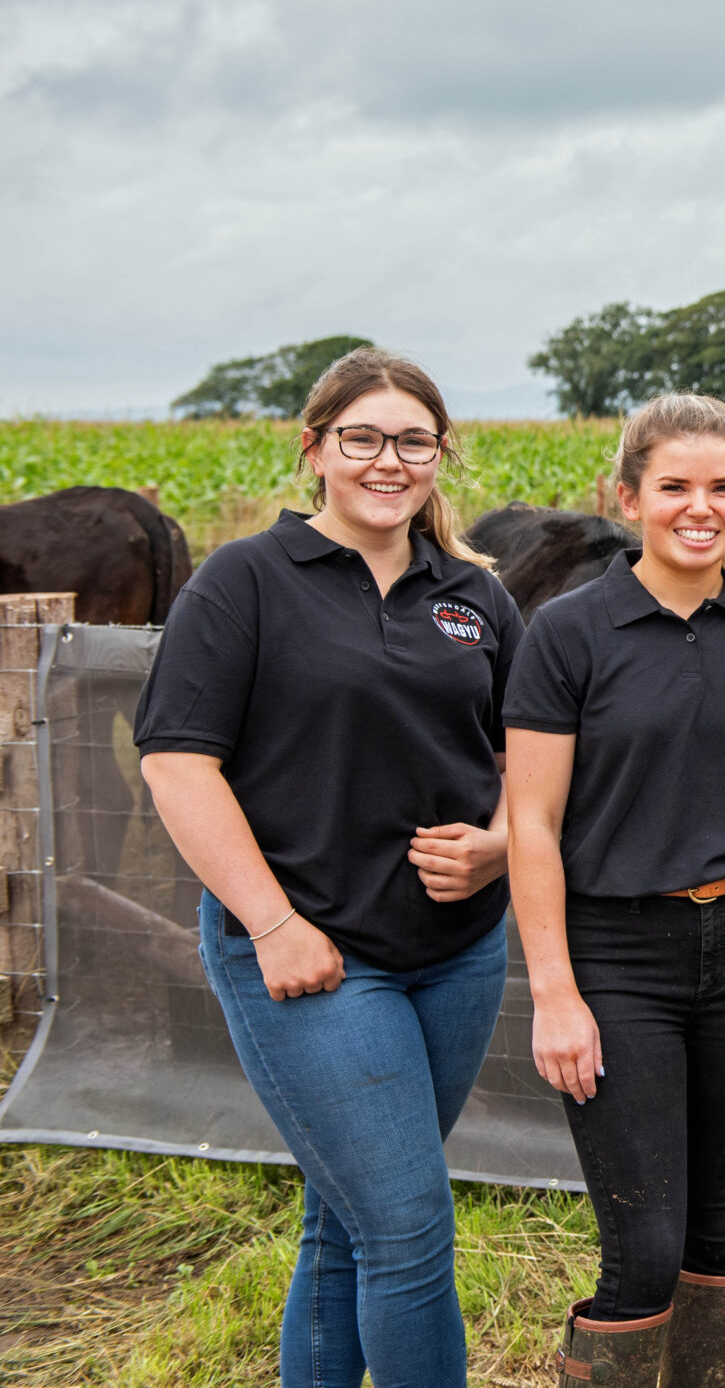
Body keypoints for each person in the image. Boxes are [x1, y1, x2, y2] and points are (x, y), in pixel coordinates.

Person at [138, 348, 518, 1388]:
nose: (387, 459)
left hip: (455, 953)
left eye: (412, 440)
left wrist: (500, 843)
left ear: (441, 455)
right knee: (408, 1227)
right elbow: (178, 763)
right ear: (314, 449)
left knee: (346, 1220)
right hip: (310, 955)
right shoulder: (244, 582)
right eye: (362, 437)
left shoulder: (474, 596)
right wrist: (271, 921)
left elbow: (529, 757)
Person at [505, 393, 725, 1388]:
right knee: (646, 1246)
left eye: (724, 488)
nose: (700, 508)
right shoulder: (569, 633)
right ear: (626, 496)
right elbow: (530, 822)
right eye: (675, 487)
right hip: (618, 957)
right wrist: (555, 990)